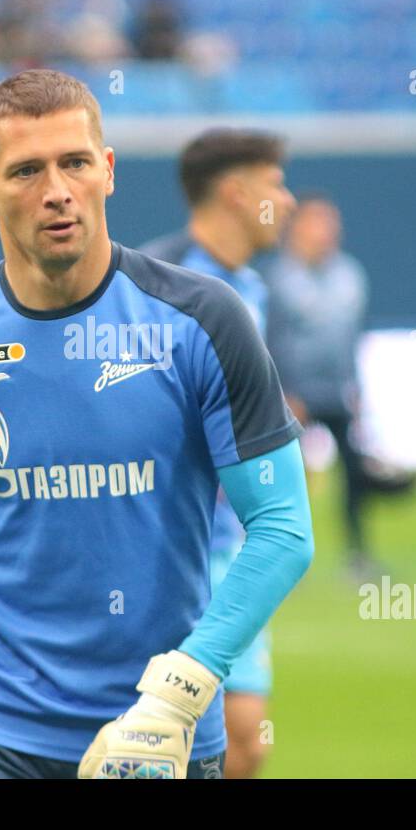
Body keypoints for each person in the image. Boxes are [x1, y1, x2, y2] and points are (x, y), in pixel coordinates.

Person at [0, 70, 313, 780]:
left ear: (108, 170)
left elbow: (283, 525)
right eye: (27, 170)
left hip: (158, 728)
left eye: (75, 163)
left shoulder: (205, 322)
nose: (57, 189)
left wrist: (180, 692)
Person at [140, 129, 296, 779]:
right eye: (276, 184)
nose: (287, 202)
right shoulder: (151, 285)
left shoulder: (252, 288)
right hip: (163, 546)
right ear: (237, 192)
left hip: (233, 544)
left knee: (245, 740)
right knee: (153, 736)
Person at [266, 196, 397, 579]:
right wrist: (282, 392)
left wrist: (356, 387)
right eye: (317, 223)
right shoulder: (278, 278)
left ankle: (358, 553)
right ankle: (281, 557)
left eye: (330, 223)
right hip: (295, 394)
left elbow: (351, 336)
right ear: (297, 227)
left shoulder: (350, 275)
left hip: (338, 391)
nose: (326, 232)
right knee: (286, 479)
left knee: (353, 475)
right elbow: (269, 340)